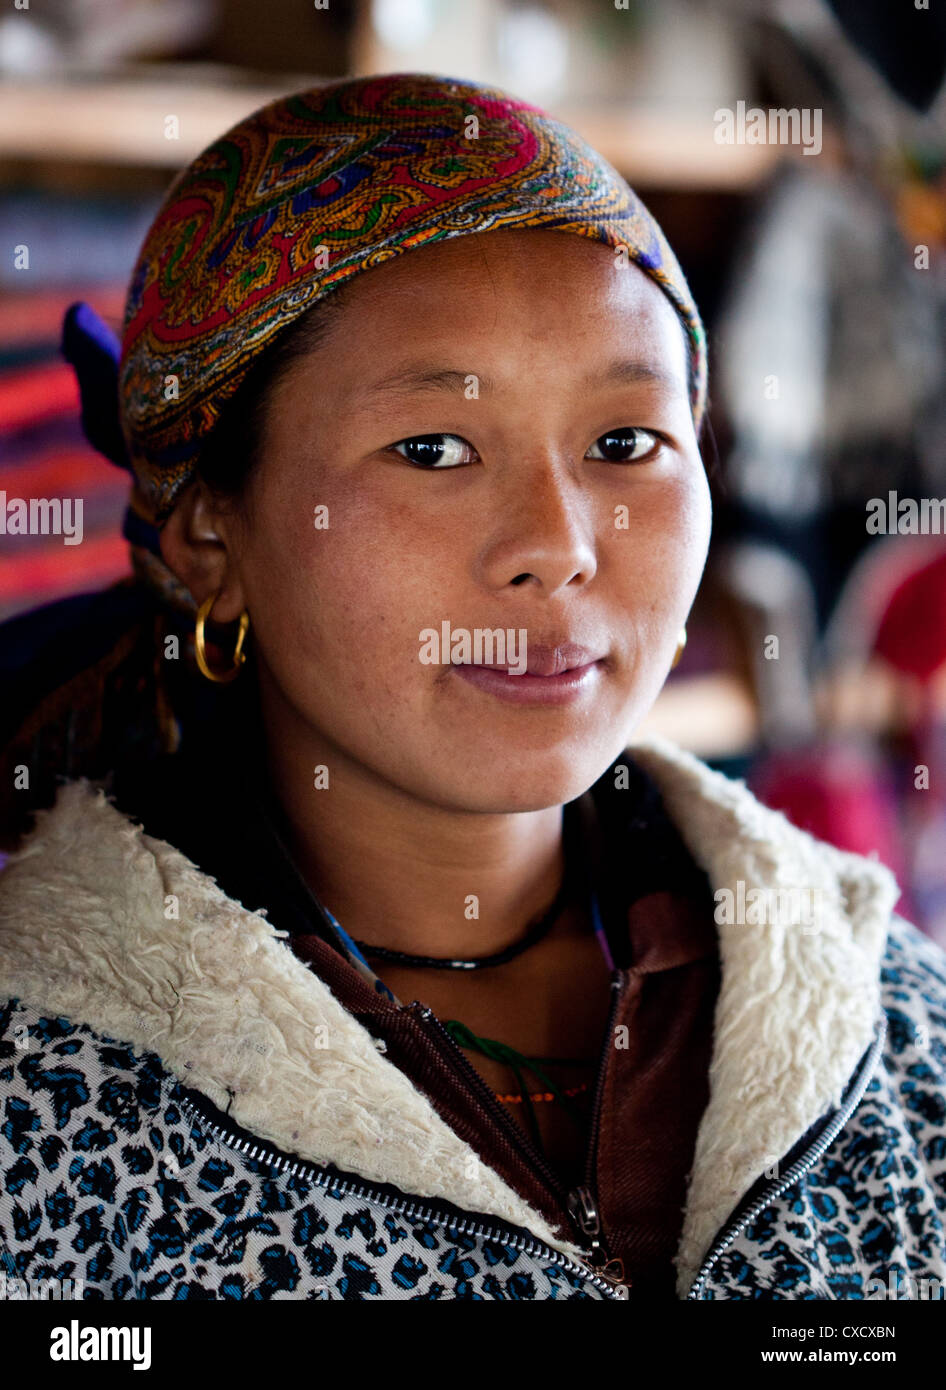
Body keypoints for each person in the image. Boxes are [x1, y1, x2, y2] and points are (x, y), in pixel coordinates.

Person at [0, 73, 943, 1303]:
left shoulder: (891, 1020)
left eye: (625, 444)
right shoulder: (46, 1090)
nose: (559, 544)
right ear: (207, 540)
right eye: (433, 449)